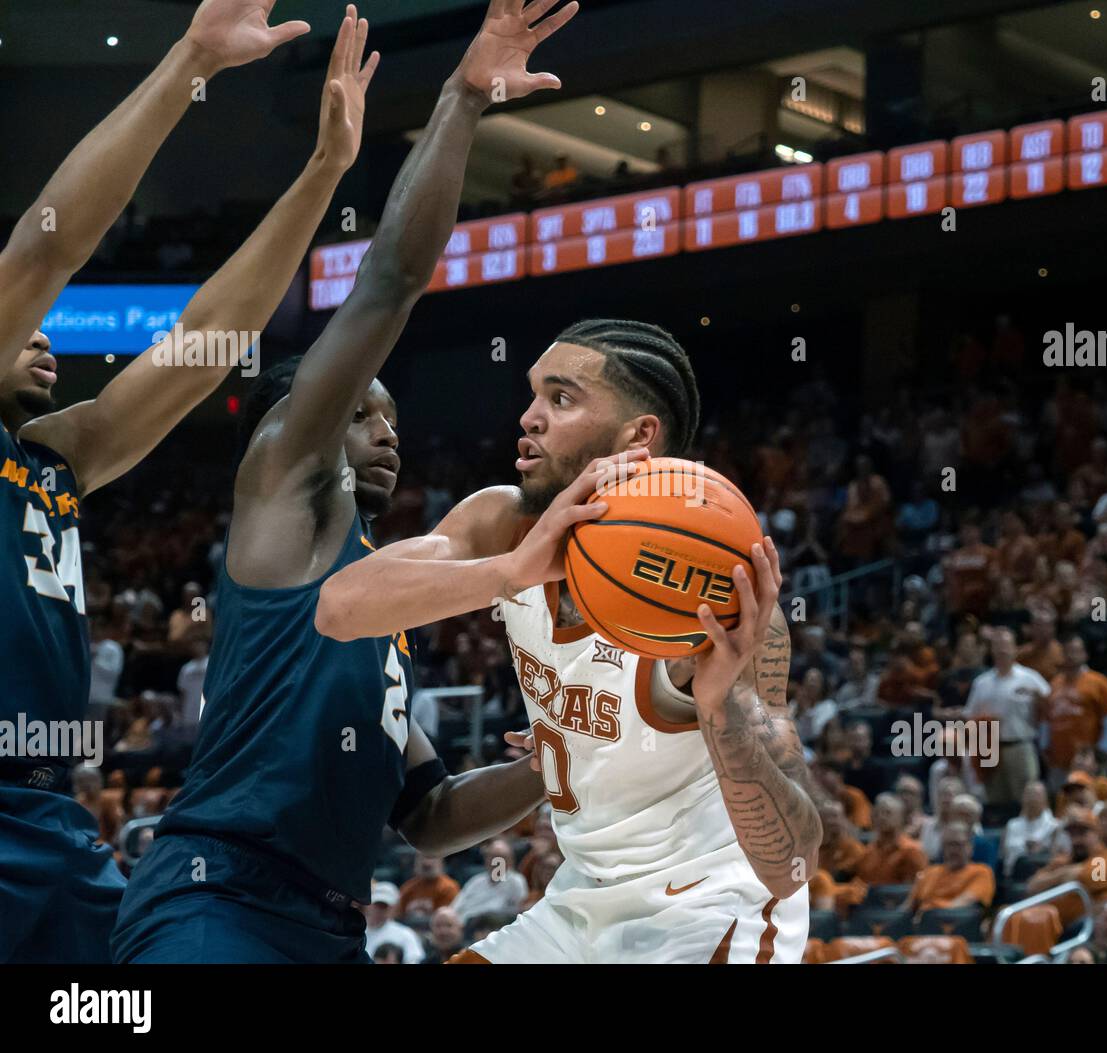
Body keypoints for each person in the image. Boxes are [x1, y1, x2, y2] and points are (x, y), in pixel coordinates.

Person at [113, 0, 580, 964]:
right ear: (300, 422)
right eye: (362, 413)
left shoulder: (384, 596)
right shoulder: (284, 483)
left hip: (332, 925)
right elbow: (391, 281)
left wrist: (557, 766)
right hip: (218, 898)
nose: (386, 433)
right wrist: (460, 98)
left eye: (395, 422)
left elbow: (434, 816)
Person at [316, 318, 821, 963]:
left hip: (711, 908)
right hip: (577, 904)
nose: (528, 418)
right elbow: (338, 609)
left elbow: (794, 864)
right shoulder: (504, 523)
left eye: (561, 398)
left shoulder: (713, 598)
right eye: (532, 396)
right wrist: (512, 570)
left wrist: (720, 711)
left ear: (638, 437)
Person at [0, 0, 323, 965]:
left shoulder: (54, 462)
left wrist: (322, 176)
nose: (45, 335)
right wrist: (191, 62)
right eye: (24, 326)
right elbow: (49, 247)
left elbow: (202, 349)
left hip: (52, 822)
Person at [963, 628, 1050, 806]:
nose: (1002, 650)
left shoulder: (1031, 678)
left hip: (1021, 745)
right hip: (990, 749)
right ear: (991, 650)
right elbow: (969, 716)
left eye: (1006, 645)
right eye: (997, 646)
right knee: (994, 800)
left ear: (1015, 648)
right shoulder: (982, 683)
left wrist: (1038, 699)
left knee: (1028, 799)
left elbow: (1051, 706)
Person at [1040, 635, 1107, 793]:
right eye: (1066, 651)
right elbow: (1046, 720)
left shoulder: (1098, 682)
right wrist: (1044, 747)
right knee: (1061, 807)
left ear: (1085, 655)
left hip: (1089, 763)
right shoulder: (1054, 684)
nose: (1070, 656)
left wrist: (1102, 754)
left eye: (1075, 651)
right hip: (1059, 763)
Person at [1026, 807, 1107, 928]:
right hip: (1053, 928)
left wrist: (1054, 880)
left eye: (1082, 833)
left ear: (1097, 834)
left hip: (1087, 934)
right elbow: (1032, 886)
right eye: (1072, 834)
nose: (1076, 840)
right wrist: (1065, 874)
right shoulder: (1063, 861)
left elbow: (1088, 878)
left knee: (1106, 896)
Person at [906, 821, 995, 916]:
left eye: (957, 844)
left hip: (958, 927)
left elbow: (962, 905)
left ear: (970, 847)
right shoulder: (928, 873)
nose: (952, 850)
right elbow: (907, 909)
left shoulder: (982, 872)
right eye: (947, 844)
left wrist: (929, 908)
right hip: (922, 927)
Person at [854, 792, 927, 887]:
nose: (881, 817)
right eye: (877, 813)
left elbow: (917, 888)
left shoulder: (912, 850)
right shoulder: (868, 851)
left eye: (887, 813)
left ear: (901, 817)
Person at [1002, 780, 1060, 878]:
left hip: (1044, 874)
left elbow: (1057, 855)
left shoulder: (1055, 826)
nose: (1032, 798)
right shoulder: (1012, 825)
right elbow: (1004, 854)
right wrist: (1026, 848)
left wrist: (1043, 848)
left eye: (1036, 794)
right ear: (1022, 798)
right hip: (1014, 875)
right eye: (1028, 794)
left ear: (1045, 799)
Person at [364, 882, 426, 964]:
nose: (379, 910)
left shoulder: (405, 934)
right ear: (369, 905)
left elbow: (414, 960)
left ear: (394, 908)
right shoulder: (357, 932)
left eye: (384, 906)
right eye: (377, 905)